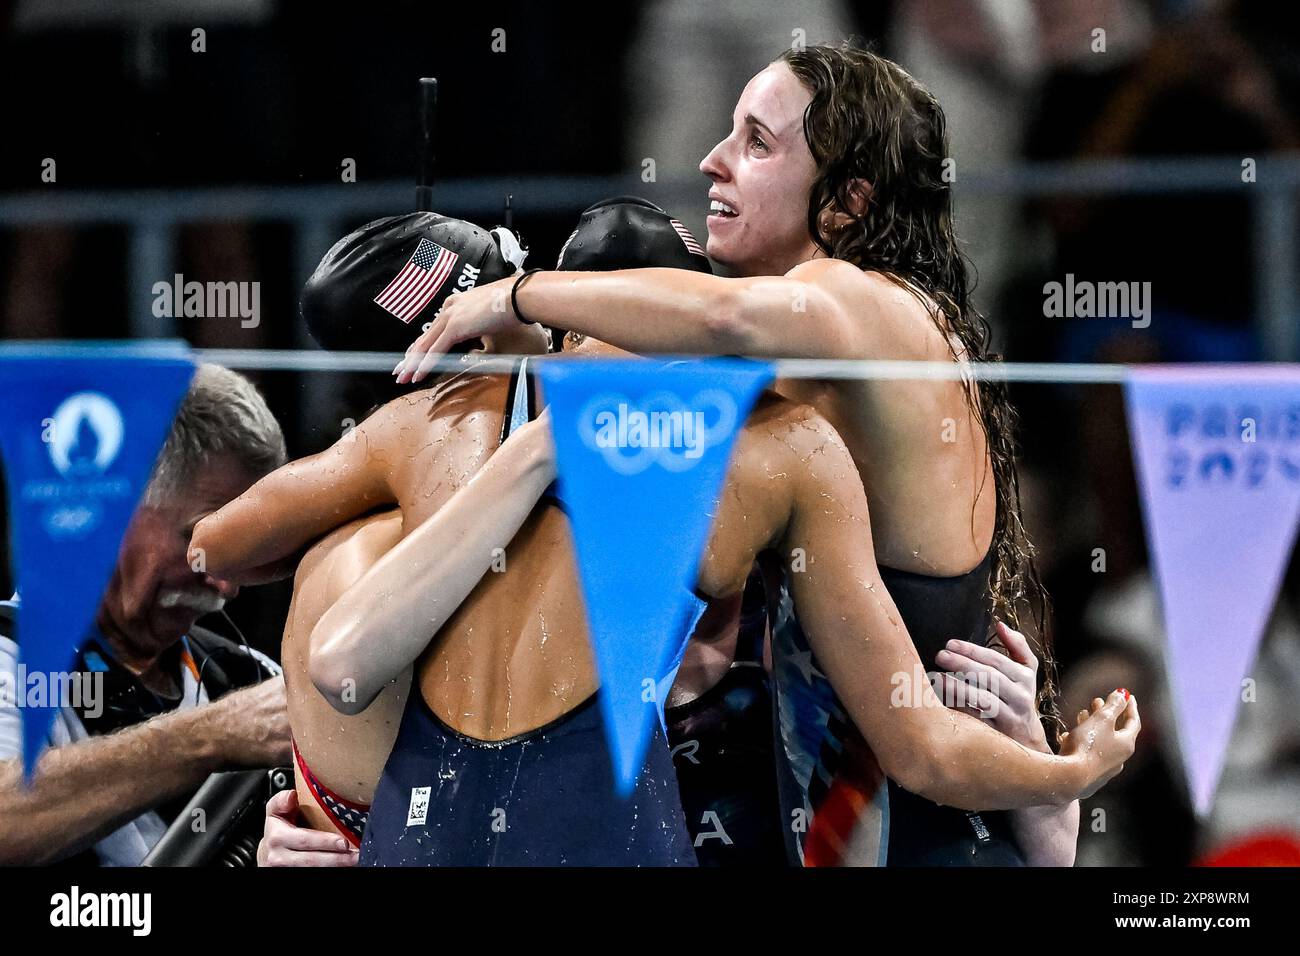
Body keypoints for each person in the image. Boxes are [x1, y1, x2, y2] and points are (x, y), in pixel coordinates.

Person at [202, 206, 1139, 867]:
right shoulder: (783, 448)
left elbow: (223, 550)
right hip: (606, 823)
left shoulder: (433, 428)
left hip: (431, 825)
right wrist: (1068, 771)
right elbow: (922, 749)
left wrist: (341, 802)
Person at [395, 43, 1075, 866]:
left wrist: (512, 288)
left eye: (757, 143)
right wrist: (509, 343)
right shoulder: (818, 361)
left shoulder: (864, 303)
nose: (712, 163)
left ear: (846, 204)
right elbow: (630, 366)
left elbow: (719, 321)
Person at [0, 365, 290, 866]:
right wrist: (214, 736)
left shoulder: (251, 677)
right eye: (202, 537)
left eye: (249, 547)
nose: (228, 584)